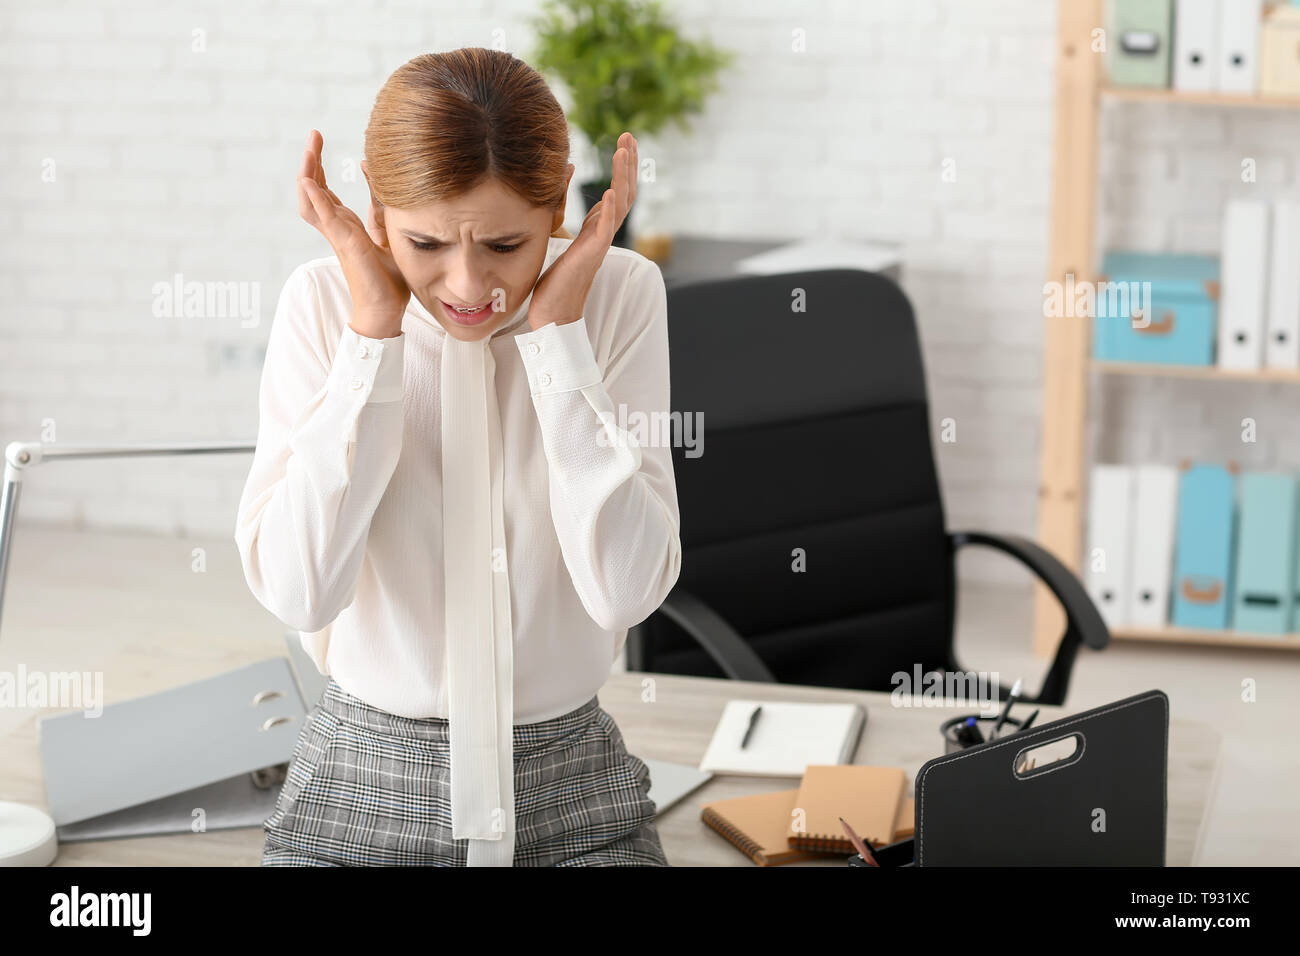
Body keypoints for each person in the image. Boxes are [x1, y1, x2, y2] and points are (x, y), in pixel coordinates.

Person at [233, 47, 680, 866]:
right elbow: (301, 591)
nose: (469, 284)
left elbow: (626, 591)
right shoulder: (323, 306)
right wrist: (373, 337)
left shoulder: (620, 295)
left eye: (506, 244)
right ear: (375, 206)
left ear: (556, 207)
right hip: (358, 780)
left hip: (571, 781)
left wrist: (559, 343)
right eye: (427, 243)